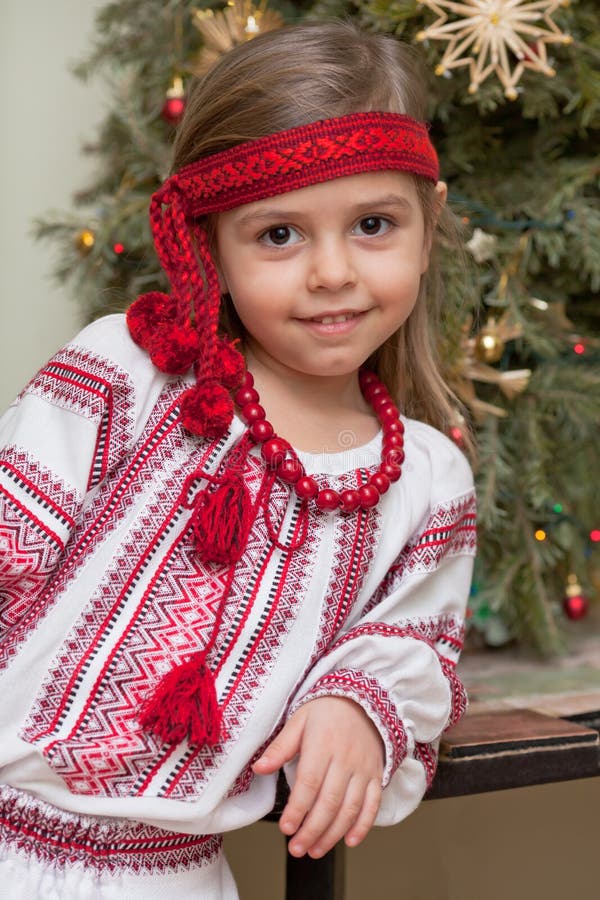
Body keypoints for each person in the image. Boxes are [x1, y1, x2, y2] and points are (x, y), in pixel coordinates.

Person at [0, 19, 476, 900]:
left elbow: (412, 643)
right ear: (208, 239)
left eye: (374, 224)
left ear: (430, 220)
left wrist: (357, 703)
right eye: (280, 236)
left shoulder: (427, 481)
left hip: (172, 882)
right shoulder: (127, 377)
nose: (333, 272)